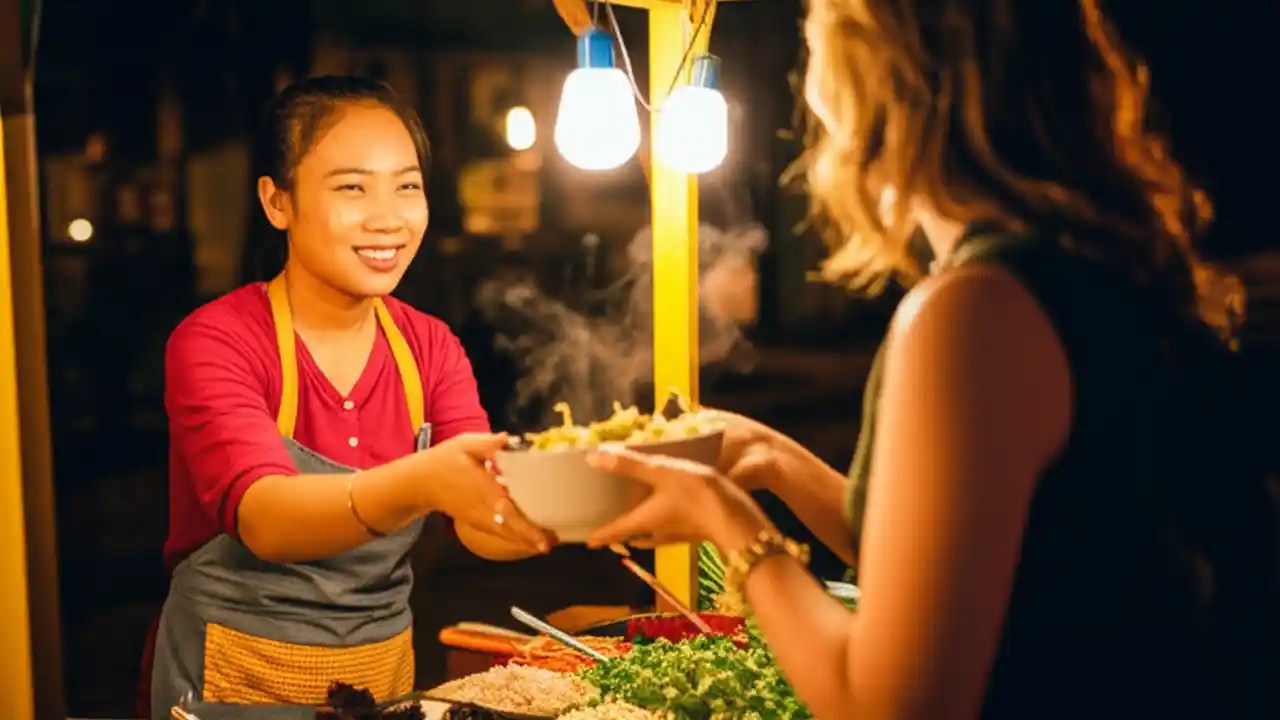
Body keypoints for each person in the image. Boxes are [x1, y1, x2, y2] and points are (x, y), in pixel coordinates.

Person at [584, 2, 1276, 719]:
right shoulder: (1089, 271)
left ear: (881, 87)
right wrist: (774, 459)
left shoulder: (977, 314)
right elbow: (978, 559)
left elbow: (889, 706)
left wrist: (730, 523)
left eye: (818, 50)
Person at [141, 75, 552, 718]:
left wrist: (565, 508)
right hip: (231, 681)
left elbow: (480, 524)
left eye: (408, 186)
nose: (388, 218)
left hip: (381, 678)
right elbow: (267, 520)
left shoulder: (430, 348)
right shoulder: (217, 340)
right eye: (352, 187)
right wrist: (427, 480)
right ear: (278, 203)